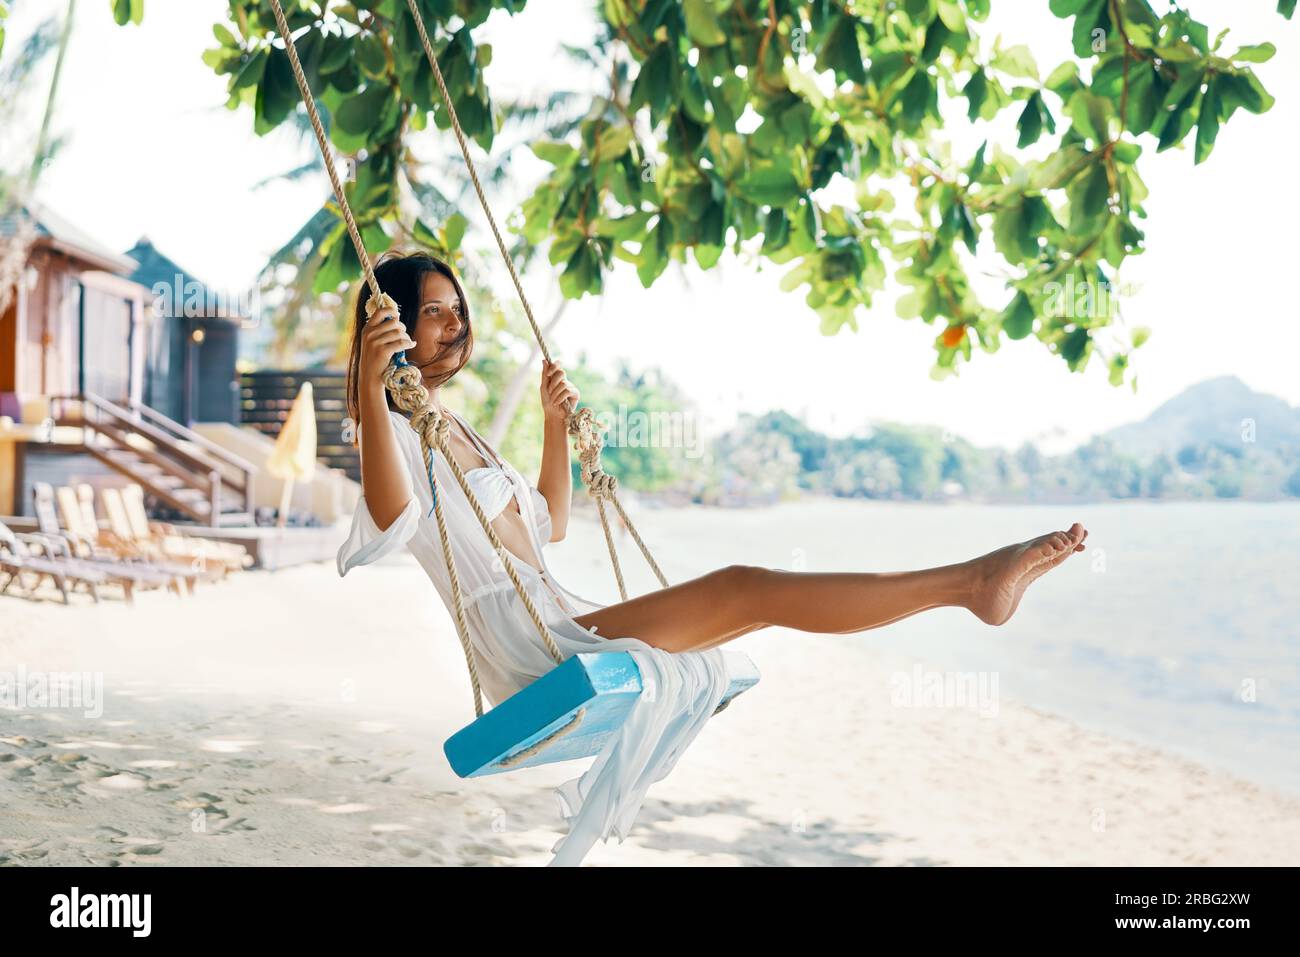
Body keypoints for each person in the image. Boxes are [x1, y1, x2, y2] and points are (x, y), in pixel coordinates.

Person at [337, 250, 1089, 866]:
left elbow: (549, 525)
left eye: (456, 309)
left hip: (554, 607)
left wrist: (553, 426)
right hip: (523, 640)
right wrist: (372, 386)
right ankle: (971, 582)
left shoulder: (456, 424)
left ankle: (969, 586)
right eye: (430, 309)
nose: (452, 322)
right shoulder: (399, 431)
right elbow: (390, 516)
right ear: (390, 323)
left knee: (750, 596)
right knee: (747, 589)